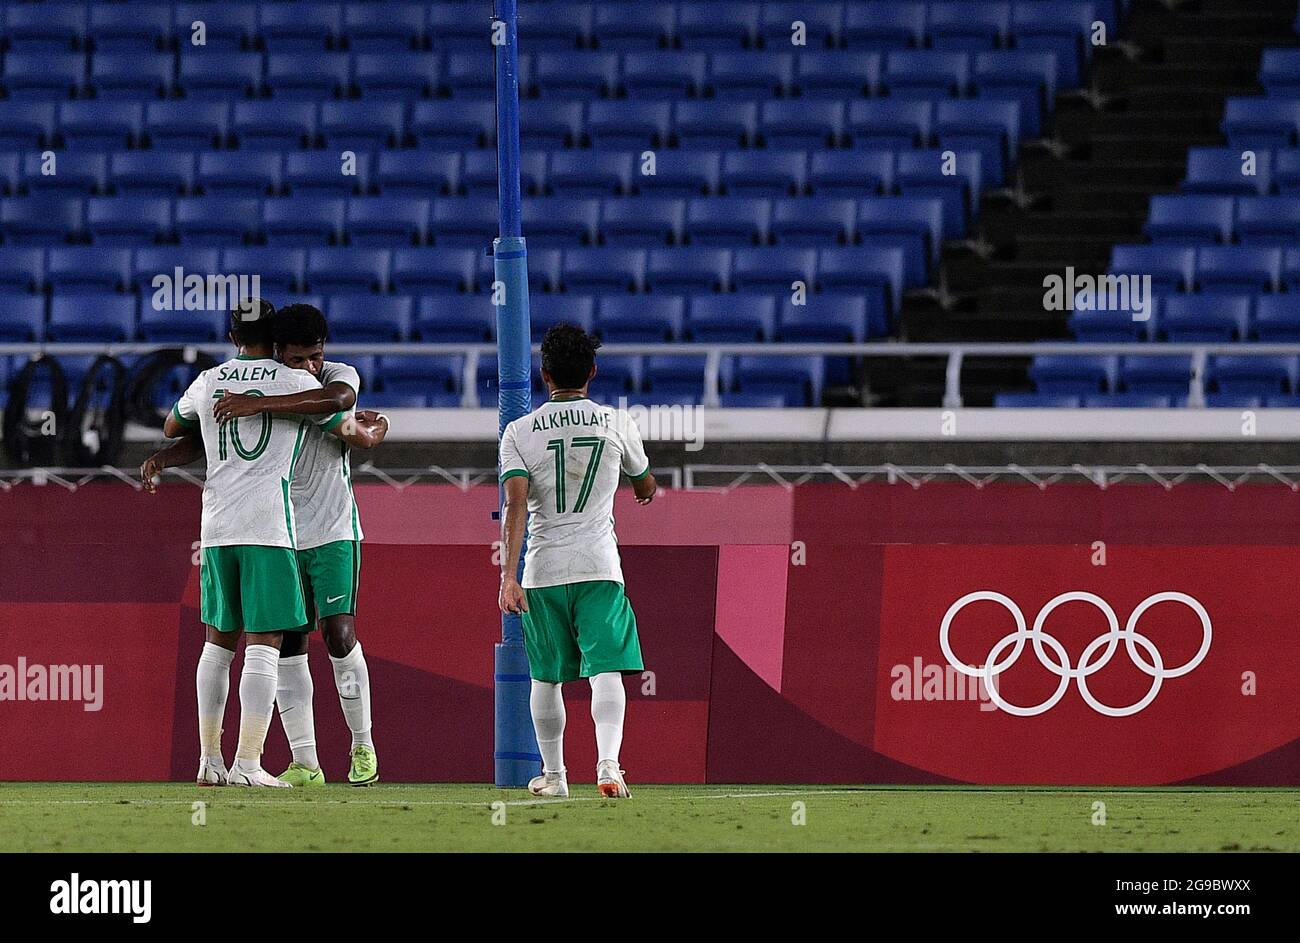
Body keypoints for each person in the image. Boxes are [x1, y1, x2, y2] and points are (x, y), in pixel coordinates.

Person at [144, 300, 385, 787]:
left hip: (325, 527)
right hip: (276, 531)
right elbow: (352, 425)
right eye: (298, 358)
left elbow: (343, 410)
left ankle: (361, 745)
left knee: (333, 637)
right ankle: (302, 762)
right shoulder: (288, 380)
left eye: (315, 356)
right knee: (283, 643)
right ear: (276, 348)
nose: (309, 366)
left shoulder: (323, 378)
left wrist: (256, 403)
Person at [497, 323, 658, 799]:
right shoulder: (617, 422)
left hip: (543, 570)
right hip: (599, 566)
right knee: (605, 668)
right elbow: (645, 486)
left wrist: (508, 576)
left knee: (546, 675)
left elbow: (515, 506)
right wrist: (640, 487)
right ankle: (608, 765)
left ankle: (555, 776)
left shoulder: (519, 432)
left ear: (544, 374)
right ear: (592, 370)